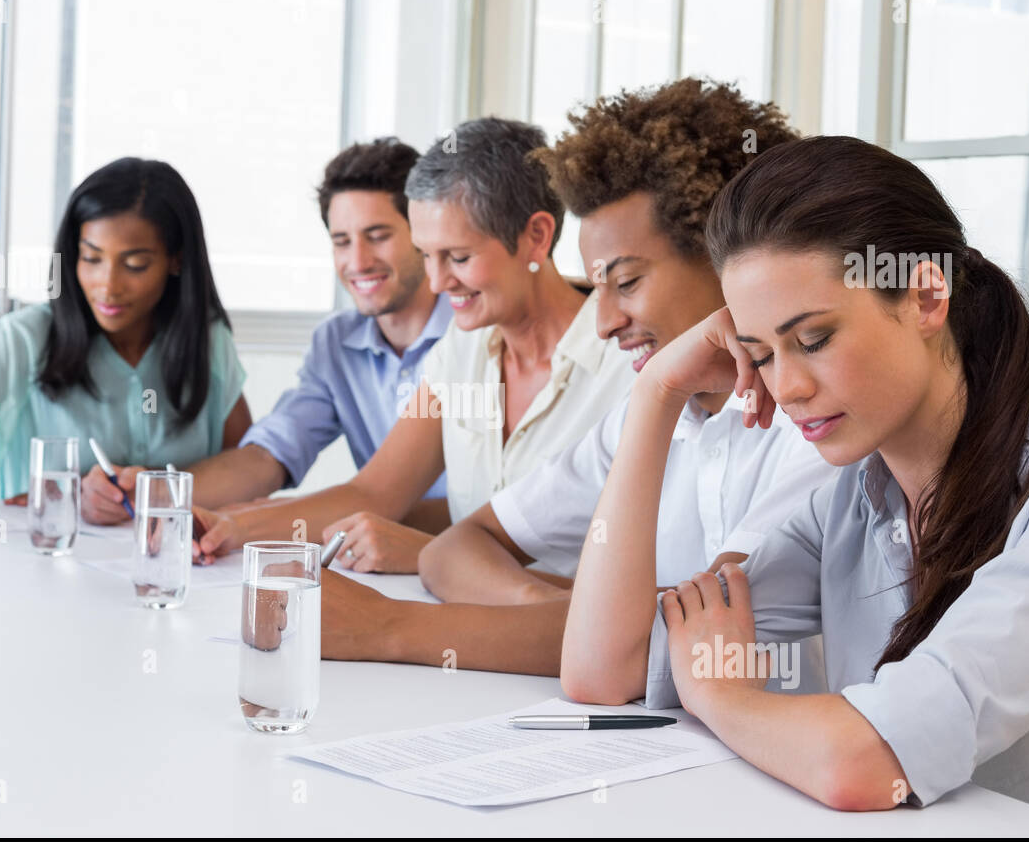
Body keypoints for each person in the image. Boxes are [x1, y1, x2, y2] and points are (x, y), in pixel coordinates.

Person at [562, 134, 1029, 825]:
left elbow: (866, 766)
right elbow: (605, 672)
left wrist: (721, 696)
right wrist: (657, 394)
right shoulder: (847, 500)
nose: (785, 386)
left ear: (926, 296)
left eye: (813, 340)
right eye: (759, 355)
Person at [323, 79, 833, 681]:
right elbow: (456, 547)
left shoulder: (815, 425)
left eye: (628, 282)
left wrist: (389, 628)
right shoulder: (662, 410)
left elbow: (663, 644)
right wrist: (558, 609)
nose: (606, 319)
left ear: (725, 257)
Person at [192, 117, 634, 573]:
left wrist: (427, 556)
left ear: (536, 237)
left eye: (458, 257)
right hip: (457, 613)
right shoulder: (460, 351)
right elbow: (375, 491)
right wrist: (231, 527)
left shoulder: (626, 361)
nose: (438, 281)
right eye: (426, 255)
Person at [0, 157, 251, 529]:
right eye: (91, 258)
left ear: (176, 260)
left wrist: (152, 492)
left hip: (173, 568)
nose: (108, 285)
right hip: (40, 566)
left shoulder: (208, 343)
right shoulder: (22, 340)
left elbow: (250, 473)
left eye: (136, 265)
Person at [187, 138, 452, 533]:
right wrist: (152, 495)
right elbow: (269, 456)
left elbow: (492, 509)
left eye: (378, 236)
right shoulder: (336, 344)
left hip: (483, 563)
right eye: (341, 241)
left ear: (424, 233)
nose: (357, 262)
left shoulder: (474, 333)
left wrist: (287, 519)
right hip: (380, 562)